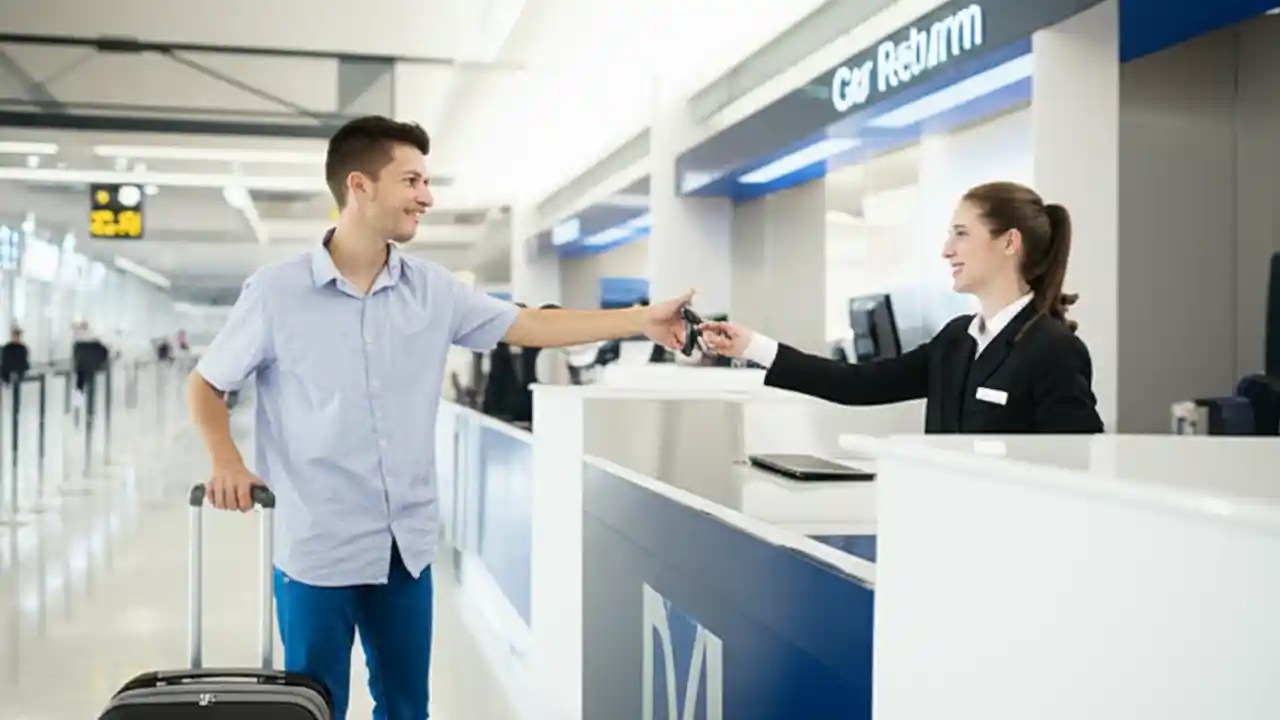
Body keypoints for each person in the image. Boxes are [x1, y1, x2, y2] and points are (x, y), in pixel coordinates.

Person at [186, 115, 694, 720]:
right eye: (412, 180)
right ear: (359, 186)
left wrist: (639, 319)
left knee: (407, 708)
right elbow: (206, 383)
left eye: (426, 182)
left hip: (404, 546)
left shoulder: (434, 290)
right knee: (314, 708)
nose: (426, 196)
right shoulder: (277, 292)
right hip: (315, 545)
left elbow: (531, 323)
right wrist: (226, 461)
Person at [700, 181, 1104, 434]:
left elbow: (1077, 468)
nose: (947, 250)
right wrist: (752, 346)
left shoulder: (1053, 350)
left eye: (961, 234)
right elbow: (856, 383)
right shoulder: (957, 339)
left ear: (1009, 242)